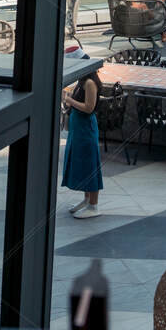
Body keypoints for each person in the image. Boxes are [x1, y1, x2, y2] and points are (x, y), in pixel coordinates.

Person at [61, 71, 104, 219]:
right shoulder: (81, 82)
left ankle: (93, 205)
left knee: (90, 164)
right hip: (78, 128)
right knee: (82, 163)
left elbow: (89, 107)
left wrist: (70, 100)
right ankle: (86, 200)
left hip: (85, 129)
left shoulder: (90, 83)